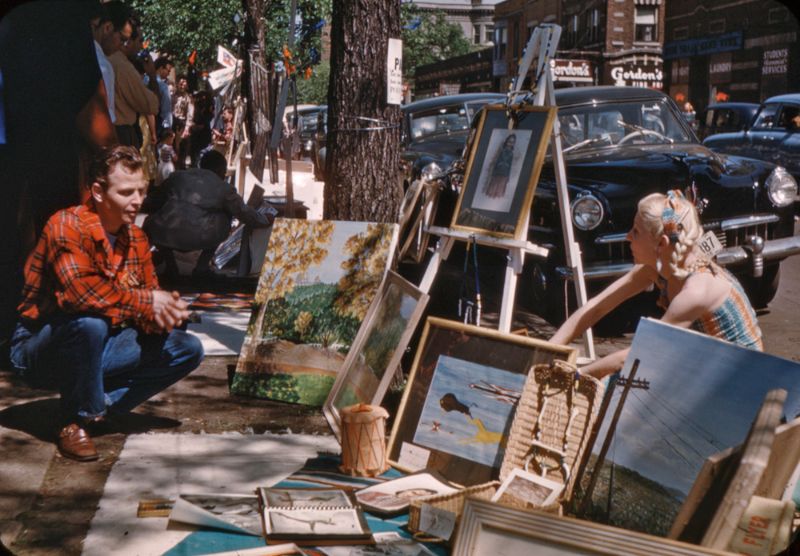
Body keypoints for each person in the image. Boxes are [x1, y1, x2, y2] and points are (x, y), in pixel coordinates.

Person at [9, 146, 204, 461]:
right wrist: (146, 302)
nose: (138, 200)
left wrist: (164, 315)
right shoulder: (66, 224)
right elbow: (80, 295)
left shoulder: (137, 239)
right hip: (39, 346)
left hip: (101, 341)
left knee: (187, 348)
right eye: (126, 192)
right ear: (98, 191)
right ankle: (73, 421)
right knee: (90, 322)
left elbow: (145, 298)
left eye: (142, 190)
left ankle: (89, 411)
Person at [550, 189, 763, 379]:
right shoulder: (659, 268)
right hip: (707, 370)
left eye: (635, 231)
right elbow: (597, 307)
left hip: (742, 383)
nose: (627, 237)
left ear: (661, 244)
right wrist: (547, 350)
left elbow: (639, 355)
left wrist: (577, 376)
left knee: (612, 387)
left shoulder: (697, 291)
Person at [143, 149, 275, 278]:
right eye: (224, 172)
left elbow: (154, 200)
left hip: (167, 233)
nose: (224, 176)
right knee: (226, 218)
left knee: (151, 222)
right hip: (199, 236)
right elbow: (243, 213)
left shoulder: (178, 176)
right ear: (220, 170)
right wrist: (264, 219)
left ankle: (170, 264)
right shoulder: (224, 188)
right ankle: (201, 266)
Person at [483, 134, 516, 198]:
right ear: (506, 141)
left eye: (512, 142)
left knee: (500, 188)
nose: (510, 144)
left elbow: (510, 166)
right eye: (509, 141)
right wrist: (494, 171)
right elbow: (497, 161)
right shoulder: (502, 151)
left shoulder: (511, 154)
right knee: (493, 186)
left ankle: (497, 198)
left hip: (505, 174)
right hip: (497, 171)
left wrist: (508, 176)